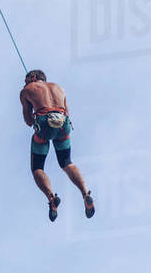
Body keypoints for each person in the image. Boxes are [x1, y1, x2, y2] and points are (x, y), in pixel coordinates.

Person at [19, 70, 95, 222]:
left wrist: (35, 113)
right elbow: (67, 112)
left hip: (44, 123)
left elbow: (28, 121)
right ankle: (85, 193)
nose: (25, 83)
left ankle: (51, 197)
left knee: (38, 168)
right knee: (67, 162)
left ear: (32, 78)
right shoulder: (59, 88)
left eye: (26, 80)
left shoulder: (27, 90)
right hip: (62, 124)